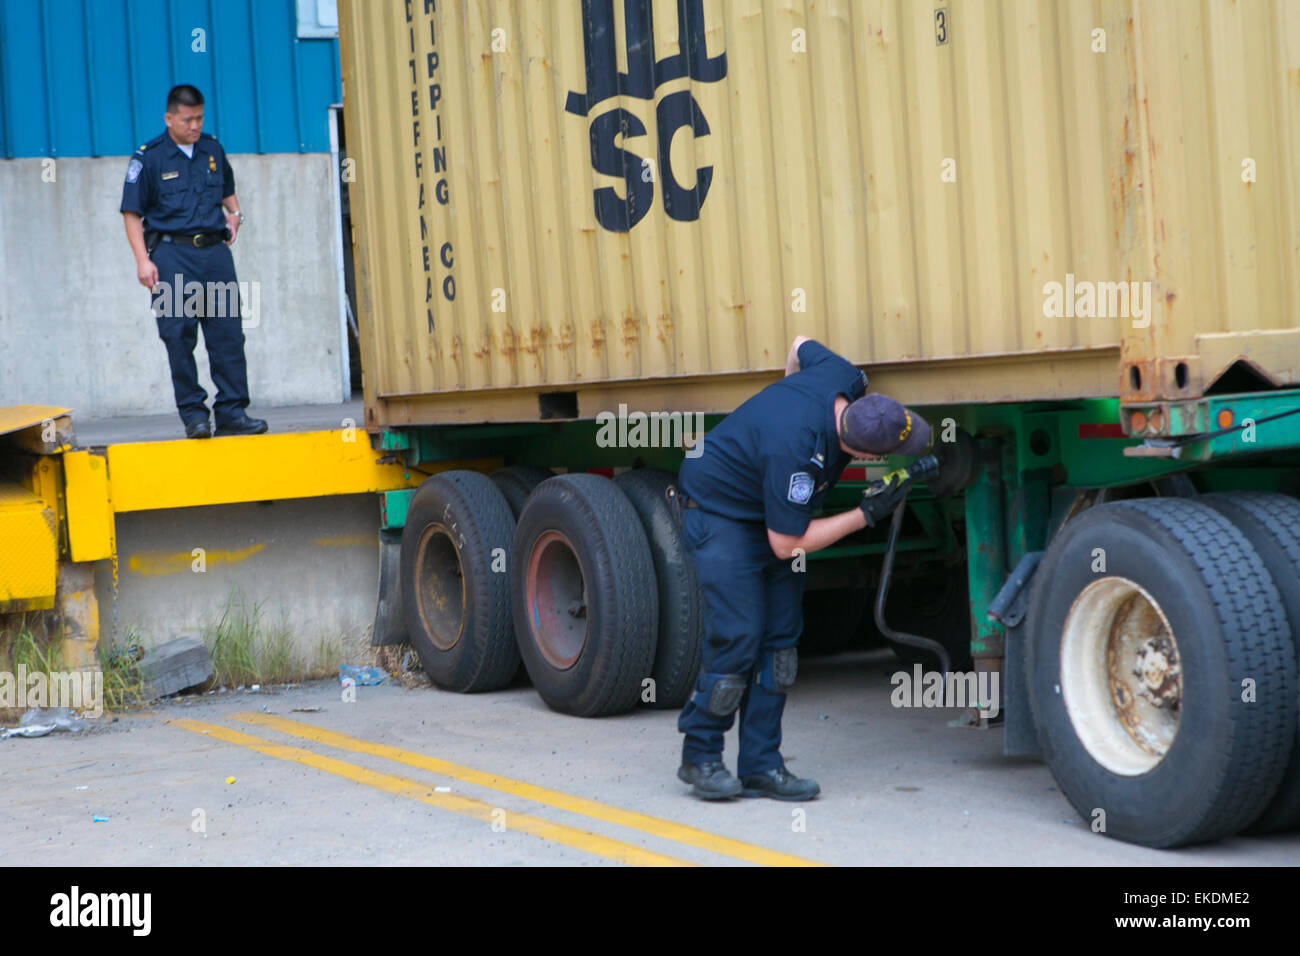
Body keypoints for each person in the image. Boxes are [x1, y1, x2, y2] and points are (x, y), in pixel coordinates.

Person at [674, 335, 932, 800]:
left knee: (781, 646)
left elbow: (797, 343)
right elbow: (786, 544)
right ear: (865, 454)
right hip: (720, 512)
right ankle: (701, 757)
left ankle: (761, 765)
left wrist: (785, 390)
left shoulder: (842, 375)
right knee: (738, 637)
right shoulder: (796, 450)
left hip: (769, 511)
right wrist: (864, 515)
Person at [120, 84, 267, 439]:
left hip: (215, 254)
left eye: (199, 118)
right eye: (187, 119)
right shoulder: (149, 158)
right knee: (178, 335)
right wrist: (143, 261)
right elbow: (131, 212)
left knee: (228, 335)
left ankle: (232, 411)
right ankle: (194, 415)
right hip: (172, 256)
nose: (195, 126)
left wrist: (235, 214)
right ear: (169, 118)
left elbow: (227, 189)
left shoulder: (212, 149)